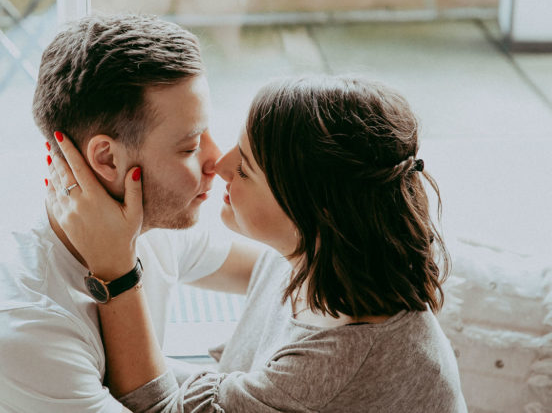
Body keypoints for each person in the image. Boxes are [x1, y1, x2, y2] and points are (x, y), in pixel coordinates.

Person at [47, 75, 468, 412]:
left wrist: (116, 271)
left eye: (245, 169)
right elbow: (225, 369)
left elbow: (156, 408)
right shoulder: (315, 261)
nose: (220, 164)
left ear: (313, 210)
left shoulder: (331, 368)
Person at [0, 14, 260, 413]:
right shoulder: (20, 330)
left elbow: (280, 272)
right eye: (189, 147)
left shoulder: (152, 226)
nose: (216, 161)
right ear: (107, 158)